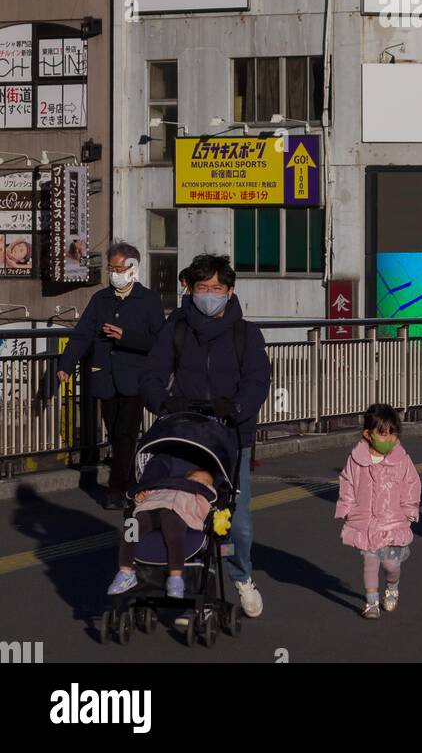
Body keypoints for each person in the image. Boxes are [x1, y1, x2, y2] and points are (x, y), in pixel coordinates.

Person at [140, 254, 271, 618]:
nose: (210, 294)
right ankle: (196, 587)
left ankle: (242, 576)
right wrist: (162, 403)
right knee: (187, 514)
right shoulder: (176, 328)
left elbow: (258, 381)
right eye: (203, 288)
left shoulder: (247, 333)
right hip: (187, 433)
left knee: (236, 522)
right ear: (191, 289)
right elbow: (152, 373)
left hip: (231, 438)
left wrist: (238, 408)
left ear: (230, 292)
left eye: (217, 288)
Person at [57, 242, 164, 509]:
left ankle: (116, 491)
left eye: (119, 268)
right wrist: (66, 365)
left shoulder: (149, 300)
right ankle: (129, 482)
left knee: (126, 432)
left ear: (133, 268)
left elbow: (159, 341)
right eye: (111, 268)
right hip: (104, 375)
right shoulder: (100, 299)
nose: (114, 273)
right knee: (116, 432)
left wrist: (125, 337)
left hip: (135, 377)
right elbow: (82, 334)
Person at [335, 403, 421, 619]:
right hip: (366, 520)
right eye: (383, 434)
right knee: (370, 560)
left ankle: (392, 584)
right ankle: (371, 602)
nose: (390, 438)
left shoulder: (402, 460)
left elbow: (412, 483)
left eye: (393, 433)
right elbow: (347, 483)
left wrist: (409, 508)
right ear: (368, 434)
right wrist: (347, 506)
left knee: (391, 563)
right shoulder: (356, 459)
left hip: (393, 520)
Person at [107, 467, 217, 599]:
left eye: (205, 482)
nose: (200, 482)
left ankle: (175, 577)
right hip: (150, 508)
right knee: (131, 526)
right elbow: (148, 494)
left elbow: (203, 510)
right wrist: (140, 497)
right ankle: (125, 573)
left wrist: (203, 491)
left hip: (177, 513)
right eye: (195, 479)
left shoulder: (199, 494)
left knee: (174, 534)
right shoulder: (167, 485)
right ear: (186, 479)